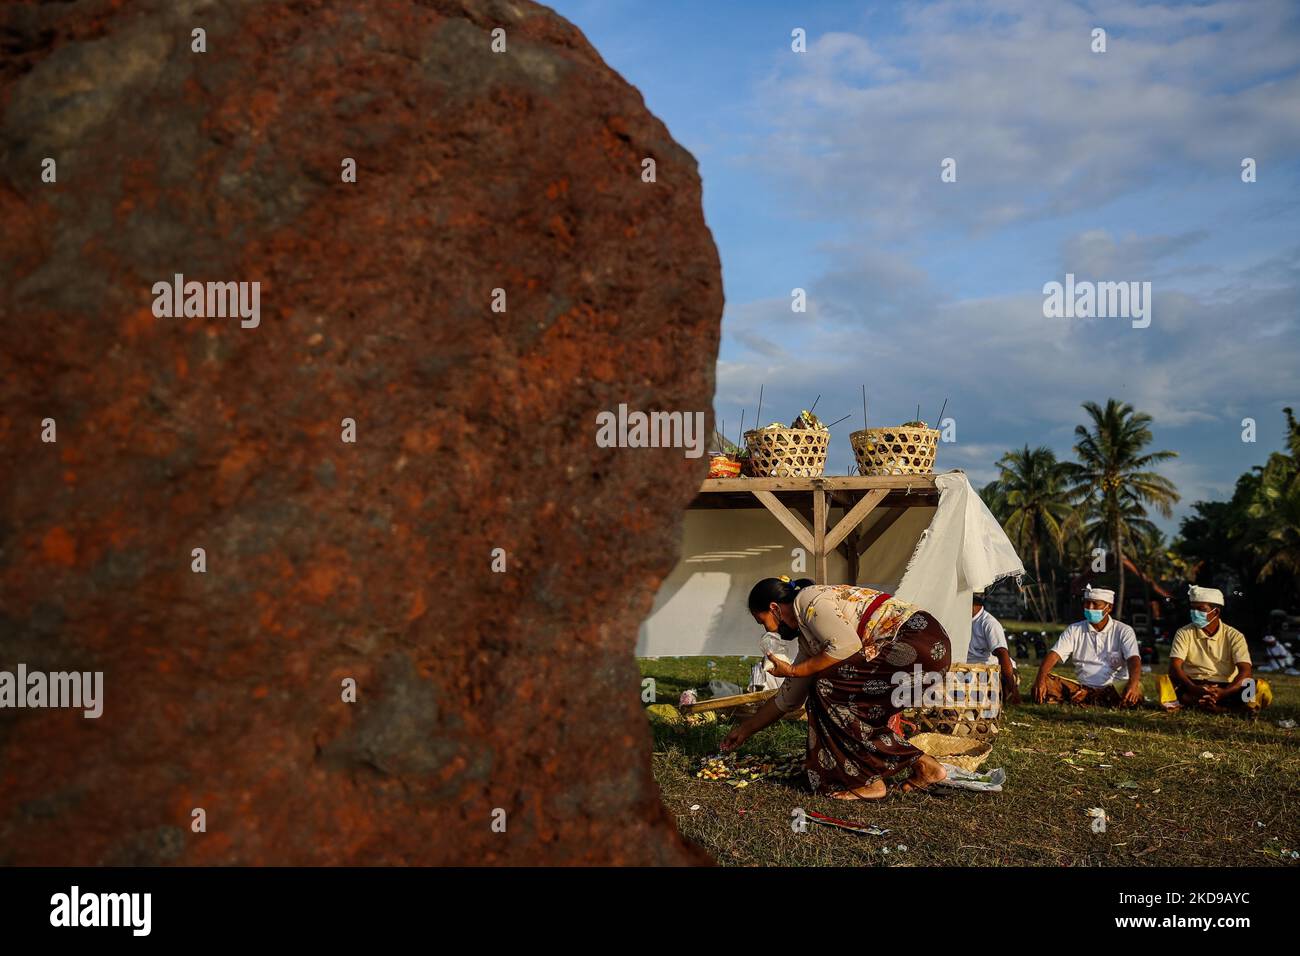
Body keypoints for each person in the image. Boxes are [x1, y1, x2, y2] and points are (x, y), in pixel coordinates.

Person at [719, 576, 952, 800]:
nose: (769, 631)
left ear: (774, 608)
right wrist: (745, 730)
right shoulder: (811, 639)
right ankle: (923, 766)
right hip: (932, 649)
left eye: (763, 622)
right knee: (850, 708)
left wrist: (792, 670)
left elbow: (846, 646)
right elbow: (788, 699)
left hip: (914, 642)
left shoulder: (808, 599)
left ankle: (866, 781)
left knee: (826, 687)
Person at [1032, 585, 1142, 707]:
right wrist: (1040, 679)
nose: (1089, 608)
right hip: (1082, 689)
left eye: (1095, 604)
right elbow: (1054, 654)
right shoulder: (1074, 629)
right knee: (1044, 682)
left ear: (1109, 607)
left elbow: (1134, 659)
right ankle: (1089, 699)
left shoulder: (1124, 630)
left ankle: (1089, 700)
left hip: (1114, 689)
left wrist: (1133, 684)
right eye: (1087, 603)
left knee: (1136, 689)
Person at [1168, 586, 1268, 715]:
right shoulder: (1184, 632)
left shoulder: (1235, 635)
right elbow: (1175, 667)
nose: (1194, 612)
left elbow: (1245, 671)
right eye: (1192, 608)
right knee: (1164, 681)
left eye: (1201, 609)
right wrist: (1194, 688)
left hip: (1228, 688)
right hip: (1193, 685)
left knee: (1259, 686)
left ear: (1215, 612)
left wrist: (1224, 693)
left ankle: (1225, 709)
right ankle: (1227, 709)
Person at [968, 593, 1021, 704]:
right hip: (967, 670)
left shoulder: (989, 624)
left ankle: (1006, 688)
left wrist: (1013, 689)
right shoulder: (962, 620)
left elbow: (1002, 654)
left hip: (989, 671)